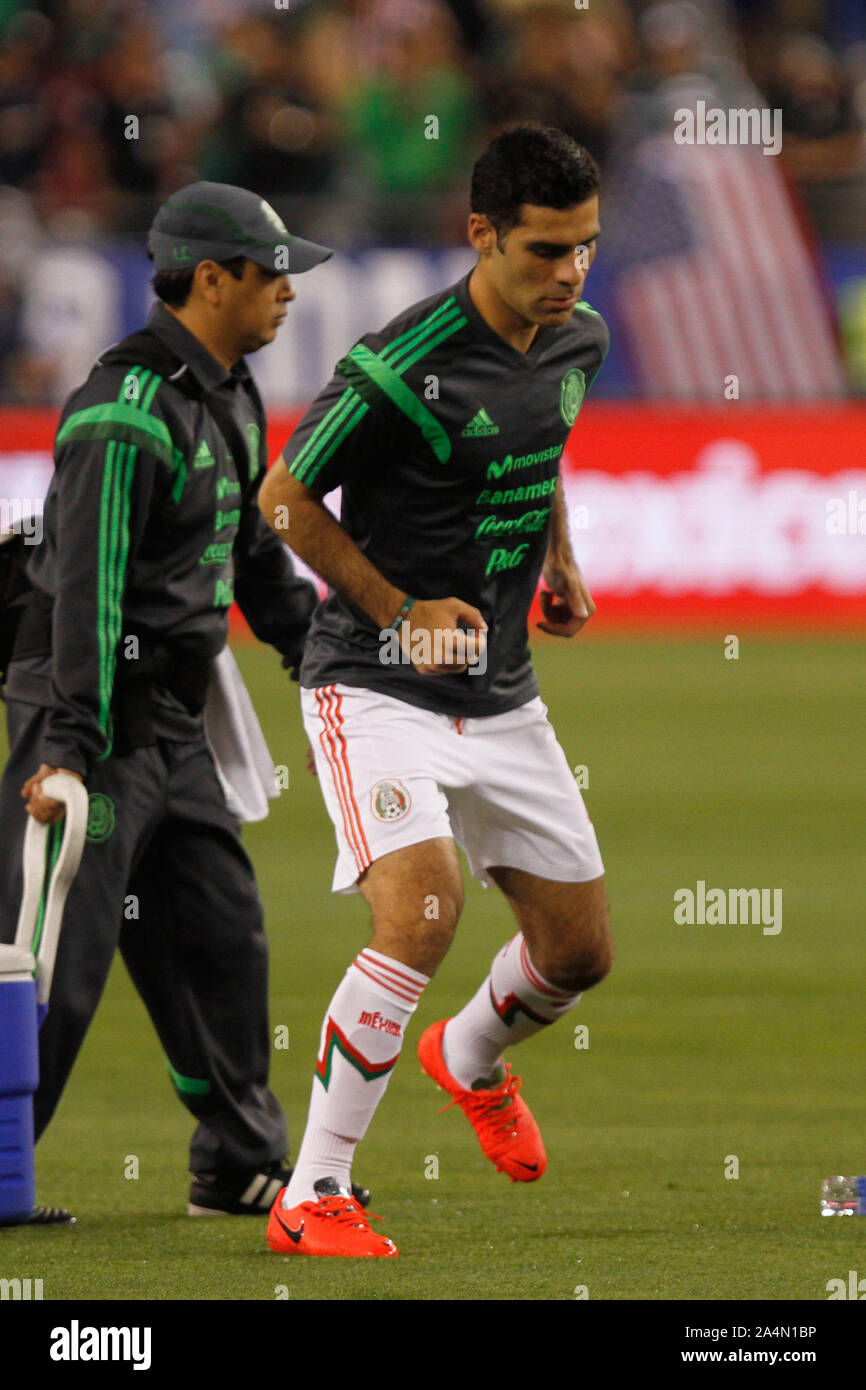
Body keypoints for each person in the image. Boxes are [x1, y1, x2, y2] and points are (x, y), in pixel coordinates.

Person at [258, 126, 614, 1258]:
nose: (568, 274)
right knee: (421, 909)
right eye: (546, 250)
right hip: (374, 685)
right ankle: (311, 1190)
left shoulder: (576, 341)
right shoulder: (396, 364)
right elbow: (281, 496)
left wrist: (555, 558)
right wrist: (397, 609)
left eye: (586, 249)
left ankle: (465, 1054)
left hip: (501, 693)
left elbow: (535, 449)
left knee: (577, 953)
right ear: (480, 236)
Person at [0, 182, 356, 1223]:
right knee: (52, 962)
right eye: (270, 273)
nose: (288, 292)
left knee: (220, 938)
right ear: (212, 279)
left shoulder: (228, 394)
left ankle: (240, 1162)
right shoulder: (123, 412)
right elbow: (85, 592)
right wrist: (65, 744)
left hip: (174, 728)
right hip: (94, 727)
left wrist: (329, 657)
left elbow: (254, 562)